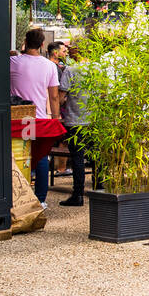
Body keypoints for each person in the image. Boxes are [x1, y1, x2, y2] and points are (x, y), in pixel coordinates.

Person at [9, 28, 60, 207]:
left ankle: (17, 196)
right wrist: (55, 117)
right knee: (40, 157)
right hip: (38, 118)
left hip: (17, 117)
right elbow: (53, 96)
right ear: (42, 45)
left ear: (25, 42)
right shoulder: (49, 66)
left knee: (18, 156)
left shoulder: (13, 62)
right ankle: (40, 199)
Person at [57, 42, 91, 206]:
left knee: (77, 158)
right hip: (95, 120)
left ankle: (78, 194)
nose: (69, 54)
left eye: (71, 51)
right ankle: (99, 190)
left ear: (76, 52)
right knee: (96, 157)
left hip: (75, 119)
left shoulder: (71, 70)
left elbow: (61, 96)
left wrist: (62, 105)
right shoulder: (98, 69)